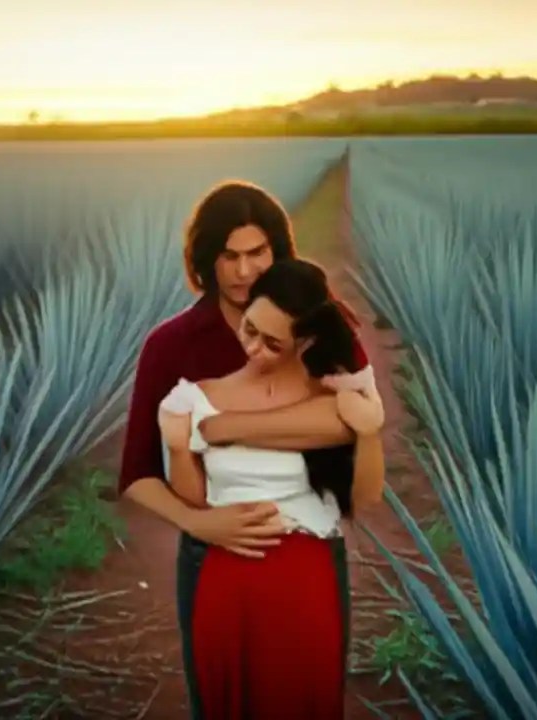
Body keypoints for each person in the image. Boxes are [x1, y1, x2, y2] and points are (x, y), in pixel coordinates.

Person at [116, 180, 376, 719]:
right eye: (228, 256)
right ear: (206, 260)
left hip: (310, 554)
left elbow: (353, 421)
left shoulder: (327, 329)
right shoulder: (171, 345)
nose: (242, 271)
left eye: (257, 253)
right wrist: (201, 524)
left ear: (279, 252)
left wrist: (217, 427)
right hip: (212, 555)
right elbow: (138, 473)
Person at [158, 257, 385, 718]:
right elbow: (195, 498)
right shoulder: (201, 393)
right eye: (249, 329)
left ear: (304, 343)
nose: (254, 348)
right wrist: (178, 449)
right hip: (228, 572)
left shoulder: (334, 397)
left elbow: (366, 499)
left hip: (305, 577)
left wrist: (369, 435)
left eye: (272, 342)